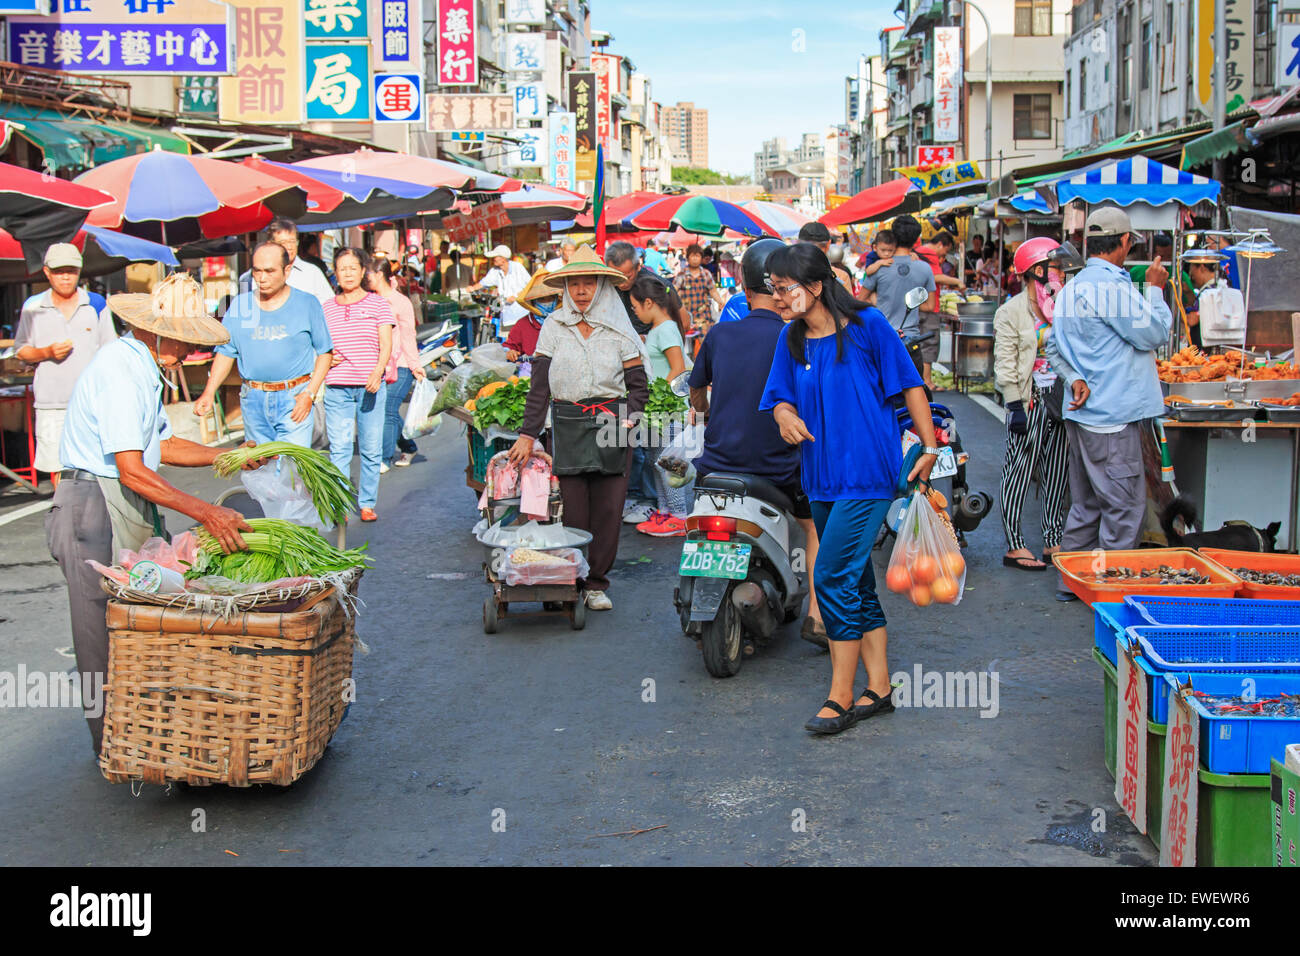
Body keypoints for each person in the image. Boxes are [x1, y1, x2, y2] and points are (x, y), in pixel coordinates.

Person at [47, 274, 265, 756]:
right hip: (91, 505)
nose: (189, 351)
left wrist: (226, 455)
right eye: (185, 340)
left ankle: (139, 733)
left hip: (115, 498)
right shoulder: (121, 369)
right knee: (101, 637)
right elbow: (131, 470)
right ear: (158, 331)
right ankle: (111, 748)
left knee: (135, 622)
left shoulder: (146, 368)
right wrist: (206, 511)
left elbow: (161, 445)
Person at [760, 244, 937, 735]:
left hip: (867, 473)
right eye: (772, 288)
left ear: (815, 287)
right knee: (855, 580)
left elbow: (910, 384)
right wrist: (785, 415)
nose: (777, 297)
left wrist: (928, 445)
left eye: (784, 288)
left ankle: (840, 695)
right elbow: (779, 399)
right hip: (820, 475)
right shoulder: (791, 340)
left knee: (831, 576)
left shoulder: (867, 326)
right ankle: (878, 687)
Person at [689, 238, 826, 644]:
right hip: (780, 470)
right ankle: (817, 616)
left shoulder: (719, 335)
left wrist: (707, 412)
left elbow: (697, 394)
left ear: (744, 290)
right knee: (815, 527)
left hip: (718, 468)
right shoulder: (799, 338)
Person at [509, 246, 651, 612]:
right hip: (568, 422)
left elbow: (639, 388)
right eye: (575, 284)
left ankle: (596, 583)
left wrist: (630, 416)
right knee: (572, 508)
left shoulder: (620, 331)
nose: (582, 291)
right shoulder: (553, 327)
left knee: (608, 507)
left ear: (602, 287)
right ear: (566, 288)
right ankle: (569, 577)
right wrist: (528, 434)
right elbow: (539, 387)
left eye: (589, 284)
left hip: (613, 422)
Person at [1048, 207, 1172, 602]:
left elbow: (1053, 346)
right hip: (1111, 416)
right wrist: (1155, 288)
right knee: (1122, 508)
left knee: (1086, 504)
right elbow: (1153, 334)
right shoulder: (1111, 289)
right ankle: (1108, 590)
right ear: (1124, 243)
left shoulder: (1071, 288)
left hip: (1083, 414)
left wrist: (1075, 377)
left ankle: (1073, 582)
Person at [195, 242, 333, 447]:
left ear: (287, 271)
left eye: (270, 271)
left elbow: (325, 352)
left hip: (295, 397)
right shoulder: (240, 305)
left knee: (294, 468)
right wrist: (208, 391)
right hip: (253, 399)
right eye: (257, 271)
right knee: (260, 470)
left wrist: (309, 394)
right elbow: (226, 353)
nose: (262, 278)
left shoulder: (307, 303)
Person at [994, 237, 1076, 573]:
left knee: (1058, 472)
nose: (1060, 273)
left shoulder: (1064, 305)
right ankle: (1014, 544)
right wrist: (1014, 406)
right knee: (1019, 471)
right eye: (1054, 267)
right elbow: (1005, 363)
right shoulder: (1011, 312)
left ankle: (1052, 538)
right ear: (1036, 271)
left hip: (1062, 398)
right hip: (1029, 402)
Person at [14, 243, 117, 488]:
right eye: (59, 271)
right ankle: (65, 516)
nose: (65, 277)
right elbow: (21, 350)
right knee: (59, 468)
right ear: (47, 272)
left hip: (92, 403)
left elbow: (110, 350)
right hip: (52, 404)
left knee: (97, 465)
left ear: (80, 271)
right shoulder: (33, 307)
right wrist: (45, 352)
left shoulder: (96, 304)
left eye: (71, 270)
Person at [322, 247, 395, 523]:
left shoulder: (378, 304)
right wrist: (327, 359)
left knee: (371, 448)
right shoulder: (326, 307)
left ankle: (366, 503)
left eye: (353, 267)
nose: (348, 273)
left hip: (370, 387)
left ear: (363, 271)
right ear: (336, 273)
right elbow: (319, 345)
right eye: (343, 268)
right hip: (337, 388)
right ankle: (340, 503)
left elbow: (386, 344)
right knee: (339, 448)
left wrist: (378, 371)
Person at [627, 273, 690, 538]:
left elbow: (678, 368)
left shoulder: (665, 328)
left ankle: (680, 516)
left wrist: (656, 396)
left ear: (649, 303)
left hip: (670, 408)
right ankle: (665, 511)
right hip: (658, 410)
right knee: (657, 461)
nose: (635, 311)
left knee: (670, 464)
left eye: (635, 306)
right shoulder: (657, 330)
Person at [367, 256, 425, 472]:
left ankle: (384, 458)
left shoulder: (400, 302)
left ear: (379, 275)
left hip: (400, 364)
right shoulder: (369, 300)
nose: (365, 278)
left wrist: (415, 366)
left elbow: (409, 336)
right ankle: (409, 447)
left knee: (388, 408)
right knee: (386, 410)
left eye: (368, 274)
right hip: (378, 365)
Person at [859, 214, 935, 342]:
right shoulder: (925, 268)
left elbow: (861, 300)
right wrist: (906, 303)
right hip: (910, 338)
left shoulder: (880, 266)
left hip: (882, 335)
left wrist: (880, 302)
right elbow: (929, 306)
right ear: (916, 239)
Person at [913, 230, 964, 389]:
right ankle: (927, 382)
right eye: (946, 250)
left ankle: (920, 380)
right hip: (928, 305)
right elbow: (935, 277)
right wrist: (957, 281)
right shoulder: (928, 254)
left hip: (916, 303)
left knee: (917, 344)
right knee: (929, 343)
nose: (943, 255)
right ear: (941, 244)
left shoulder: (917, 251)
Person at [237, 219, 334, 302]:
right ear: (270, 244)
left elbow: (329, 308)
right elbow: (242, 312)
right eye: (283, 242)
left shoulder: (312, 273)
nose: (288, 247)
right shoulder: (248, 278)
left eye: (292, 241)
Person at [467, 244, 531, 329]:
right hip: (506, 316)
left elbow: (530, 286)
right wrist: (473, 288)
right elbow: (484, 283)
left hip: (521, 315)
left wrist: (516, 297)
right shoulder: (495, 271)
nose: (493, 259)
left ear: (503, 258)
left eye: (496, 256)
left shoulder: (518, 268)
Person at [504, 269, 561, 360]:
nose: (546, 302)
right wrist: (509, 352)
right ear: (533, 302)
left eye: (550, 298)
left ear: (557, 299)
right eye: (542, 299)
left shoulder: (565, 320)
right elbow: (510, 346)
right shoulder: (523, 324)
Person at [674, 243, 727, 334]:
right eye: (692, 256)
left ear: (701, 258)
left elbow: (713, 290)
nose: (695, 258)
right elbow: (674, 291)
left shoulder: (706, 274)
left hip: (703, 316)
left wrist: (720, 302)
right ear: (687, 258)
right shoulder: (681, 275)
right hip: (686, 316)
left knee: (704, 342)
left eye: (697, 256)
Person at [798, 221, 854, 290]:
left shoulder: (787, 273)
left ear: (798, 244)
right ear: (828, 244)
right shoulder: (840, 276)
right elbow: (846, 300)